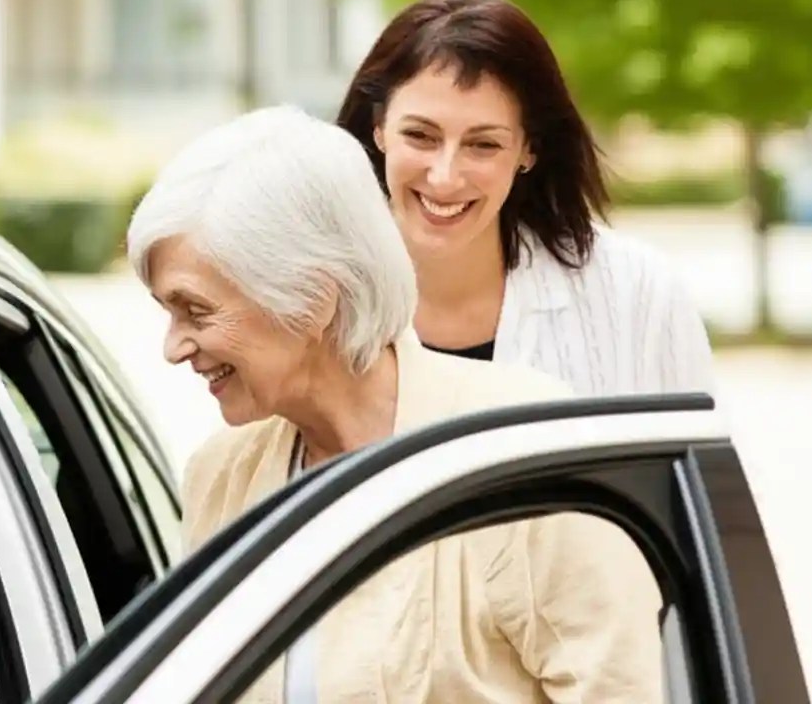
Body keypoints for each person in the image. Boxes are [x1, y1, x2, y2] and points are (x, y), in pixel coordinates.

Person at [126, 105, 662, 703]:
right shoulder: (223, 477)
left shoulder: (518, 453)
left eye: (195, 310)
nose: (174, 347)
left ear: (312, 298)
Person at [336, 0, 715, 395]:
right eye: (420, 136)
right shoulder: (313, 301)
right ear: (379, 128)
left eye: (483, 145)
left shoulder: (638, 294)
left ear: (528, 149)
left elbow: (703, 454)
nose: (445, 177)